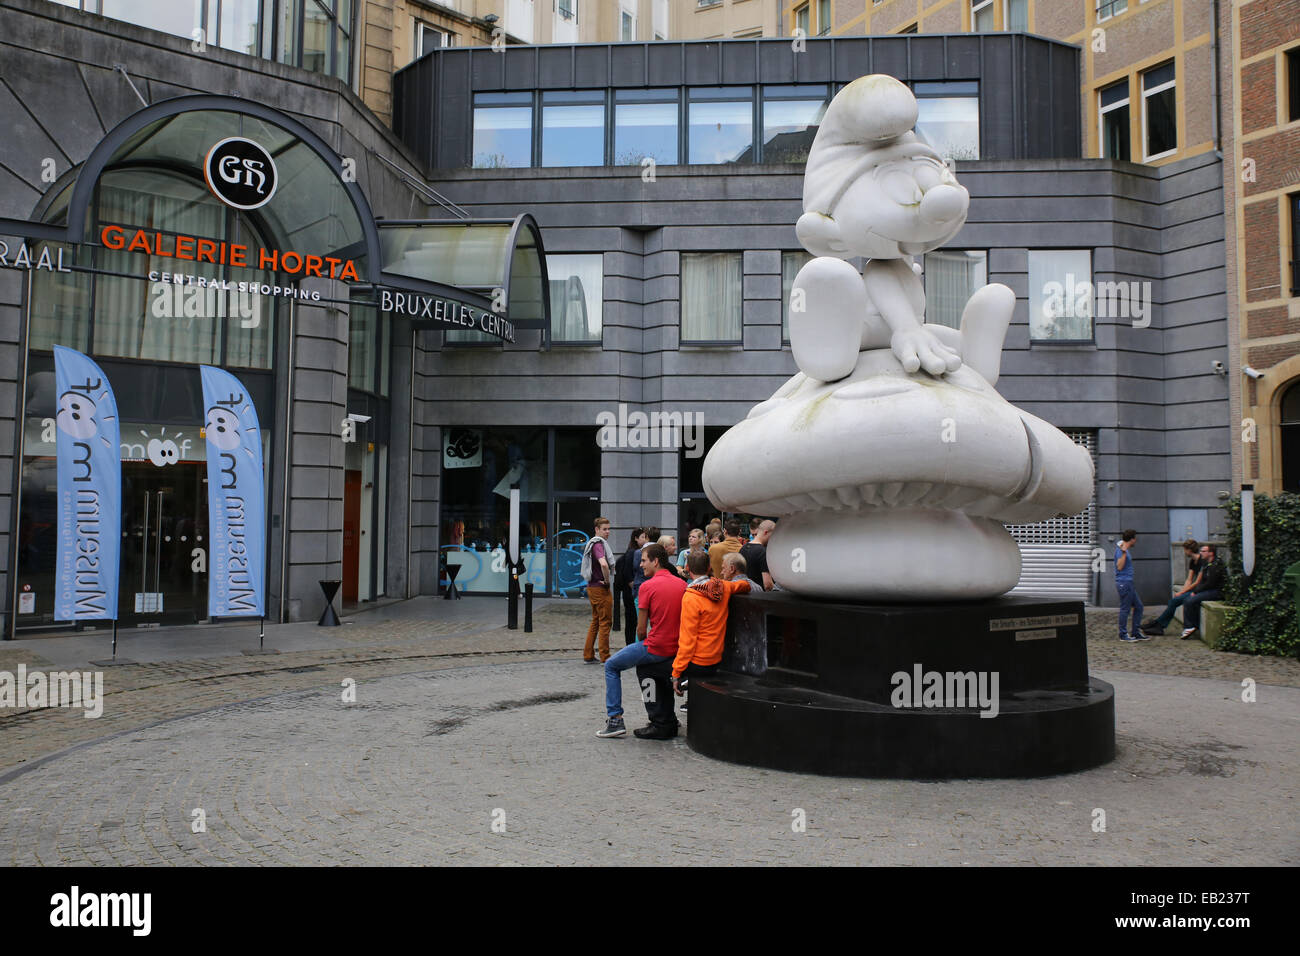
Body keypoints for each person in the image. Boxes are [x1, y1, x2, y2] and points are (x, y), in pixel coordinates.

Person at [596, 544, 685, 739]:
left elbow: (641, 629)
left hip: (656, 647)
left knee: (611, 665)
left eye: (644, 560)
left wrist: (641, 645)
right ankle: (665, 718)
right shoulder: (681, 584)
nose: (641, 565)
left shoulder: (647, 586)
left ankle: (615, 719)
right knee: (646, 670)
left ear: (655, 561)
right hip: (676, 647)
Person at [672, 550, 751, 706]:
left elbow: (688, 640)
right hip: (716, 658)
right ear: (709, 567)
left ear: (687, 567)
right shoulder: (723, 587)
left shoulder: (691, 597)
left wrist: (676, 672)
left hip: (697, 662)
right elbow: (744, 585)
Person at [1141, 539, 1202, 636]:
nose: (1184, 552)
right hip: (1194, 589)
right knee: (1173, 601)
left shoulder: (1201, 561)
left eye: (1185, 550)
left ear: (1189, 550)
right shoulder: (1192, 562)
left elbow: (1196, 582)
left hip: (1199, 590)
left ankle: (1158, 625)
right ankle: (1158, 624)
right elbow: (1189, 580)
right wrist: (1181, 592)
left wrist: (1182, 592)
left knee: (1173, 602)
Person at [581, 517, 614, 663]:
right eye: (604, 529)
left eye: (608, 529)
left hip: (591, 587)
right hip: (600, 588)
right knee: (605, 622)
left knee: (596, 621)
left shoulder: (593, 543)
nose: (607, 532)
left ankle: (588, 654)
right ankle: (605, 657)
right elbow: (604, 564)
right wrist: (607, 581)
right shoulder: (598, 544)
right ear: (597, 530)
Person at [1180, 543, 1226, 639]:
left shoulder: (1216, 565)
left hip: (1217, 591)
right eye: (1201, 551)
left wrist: (1196, 592)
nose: (1201, 553)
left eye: (1204, 551)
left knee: (1189, 600)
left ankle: (1189, 627)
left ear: (1211, 553)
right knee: (1190, 600)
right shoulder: (1206, 564)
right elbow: (1202, 581)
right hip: (1209, 589)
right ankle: (1193, 625)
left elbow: (1210, 583)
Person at [614, 528, 646, 647]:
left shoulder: (635, 551)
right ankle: (631, 645)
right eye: (642, 537)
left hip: (631, 592)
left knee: (632, 620)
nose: (645, 539)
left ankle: (631, 645)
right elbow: (628, 574)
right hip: (630, 593)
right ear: (636, 538)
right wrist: (635, 588)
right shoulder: (633, 552)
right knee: (632, 620)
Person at [1115, 529, 1146, 643]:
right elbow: (1119, 566)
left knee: (1139, 606)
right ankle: (1123, 634)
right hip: (1124, 582)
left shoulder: (1125, 549)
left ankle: (1136, 632)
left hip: (1128, 583)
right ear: (1132, 539)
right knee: (1125, 609)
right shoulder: (1121, 550)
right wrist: (1123, 552)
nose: (1136, 541)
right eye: (1135, 539)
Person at [739, 519, 775, 590]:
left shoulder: (743, 548)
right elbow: (767, 585)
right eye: (773, 535)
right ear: (766, 532)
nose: (773, 539)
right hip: (759, 595)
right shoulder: (762, 552)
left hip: (744, 592)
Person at [630, 525, 661, 601]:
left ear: (647, 537)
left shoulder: (638, 552)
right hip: (657, 586)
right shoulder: (661, 551)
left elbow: (635, 567)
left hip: (640, 585)